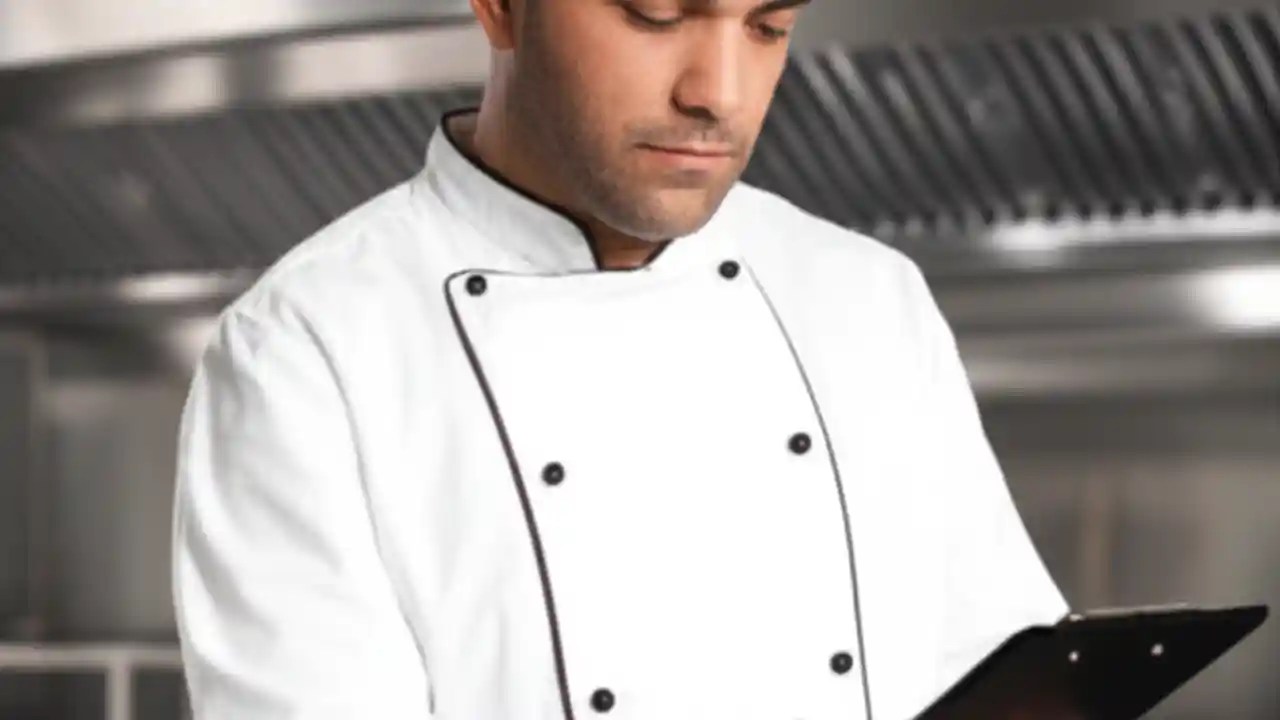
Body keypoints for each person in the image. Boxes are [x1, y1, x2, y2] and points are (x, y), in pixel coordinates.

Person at [172, 1, 1068, 718]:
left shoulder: (869, 298)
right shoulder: (306, 350)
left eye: (767, 27)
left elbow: (1009, 673)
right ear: (500, 8)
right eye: (654, 15)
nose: (718, 92)